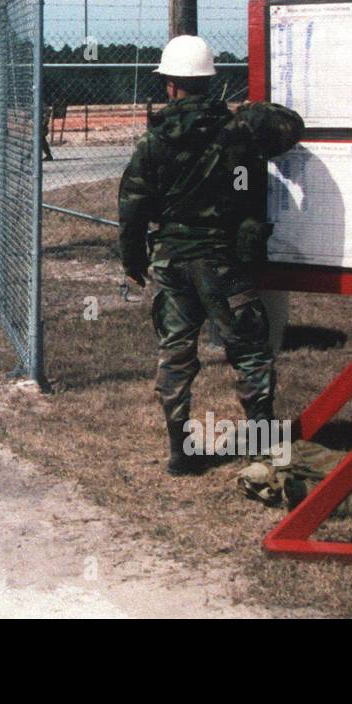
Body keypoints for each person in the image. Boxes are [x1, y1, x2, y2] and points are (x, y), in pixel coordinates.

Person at [118, 35, 303, 475]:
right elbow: (288, 129)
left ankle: (181, 450)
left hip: (173, 261)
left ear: (169, 85)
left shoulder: (153, 143)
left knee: (176, 351)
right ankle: (261, 445)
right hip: (222, 260)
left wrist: (133, 261)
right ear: (211, 83)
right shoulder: (237, 133)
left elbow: (133, 207)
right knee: (250, 351)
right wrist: (253, 111)